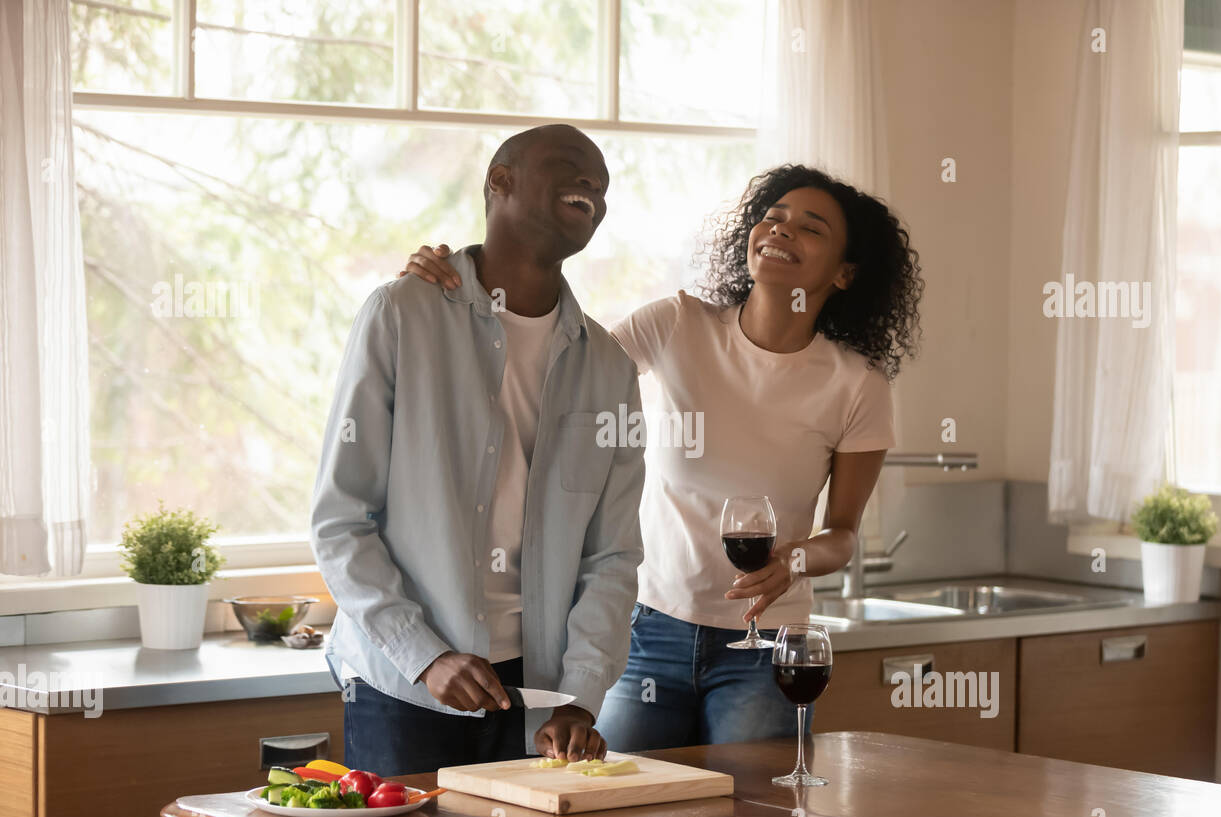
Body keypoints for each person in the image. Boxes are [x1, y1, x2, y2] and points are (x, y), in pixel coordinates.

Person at [399, 163, 921, 751]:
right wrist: (456, 288)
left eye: (811, 228)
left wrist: (796, 560)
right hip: (649, 630)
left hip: (764, 643)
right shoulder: (677, 324)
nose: (780, 230)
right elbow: (557, 362)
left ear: (846, 273)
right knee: (625, 816)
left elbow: (844, 534)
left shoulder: (857, 385)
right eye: (772, 218)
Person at [311, 124, 645, 775]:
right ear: (500, 181)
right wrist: (426, 655)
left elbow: (612, 554)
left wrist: (578, 697)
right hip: (402, 689)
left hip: (538, 700)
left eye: (601, 185)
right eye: (571, 167)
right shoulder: (401, 315)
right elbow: (340, 519)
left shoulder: (609, 366)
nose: (591, 188)